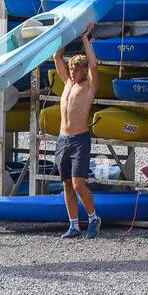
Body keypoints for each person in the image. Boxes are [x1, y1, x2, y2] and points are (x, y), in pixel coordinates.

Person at [54, 27, 102, 239]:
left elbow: (93, 64)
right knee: (66, 184)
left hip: (80, 139)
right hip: (63, 139)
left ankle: (93, 218)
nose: (73, 72)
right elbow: (57, 56)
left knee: (78, 184)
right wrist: (65, 32)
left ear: (83, 71)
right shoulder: (67, 83)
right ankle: (74, 225)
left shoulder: (89, 87)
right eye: (72, 69)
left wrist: (84, 37)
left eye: (77, 69)